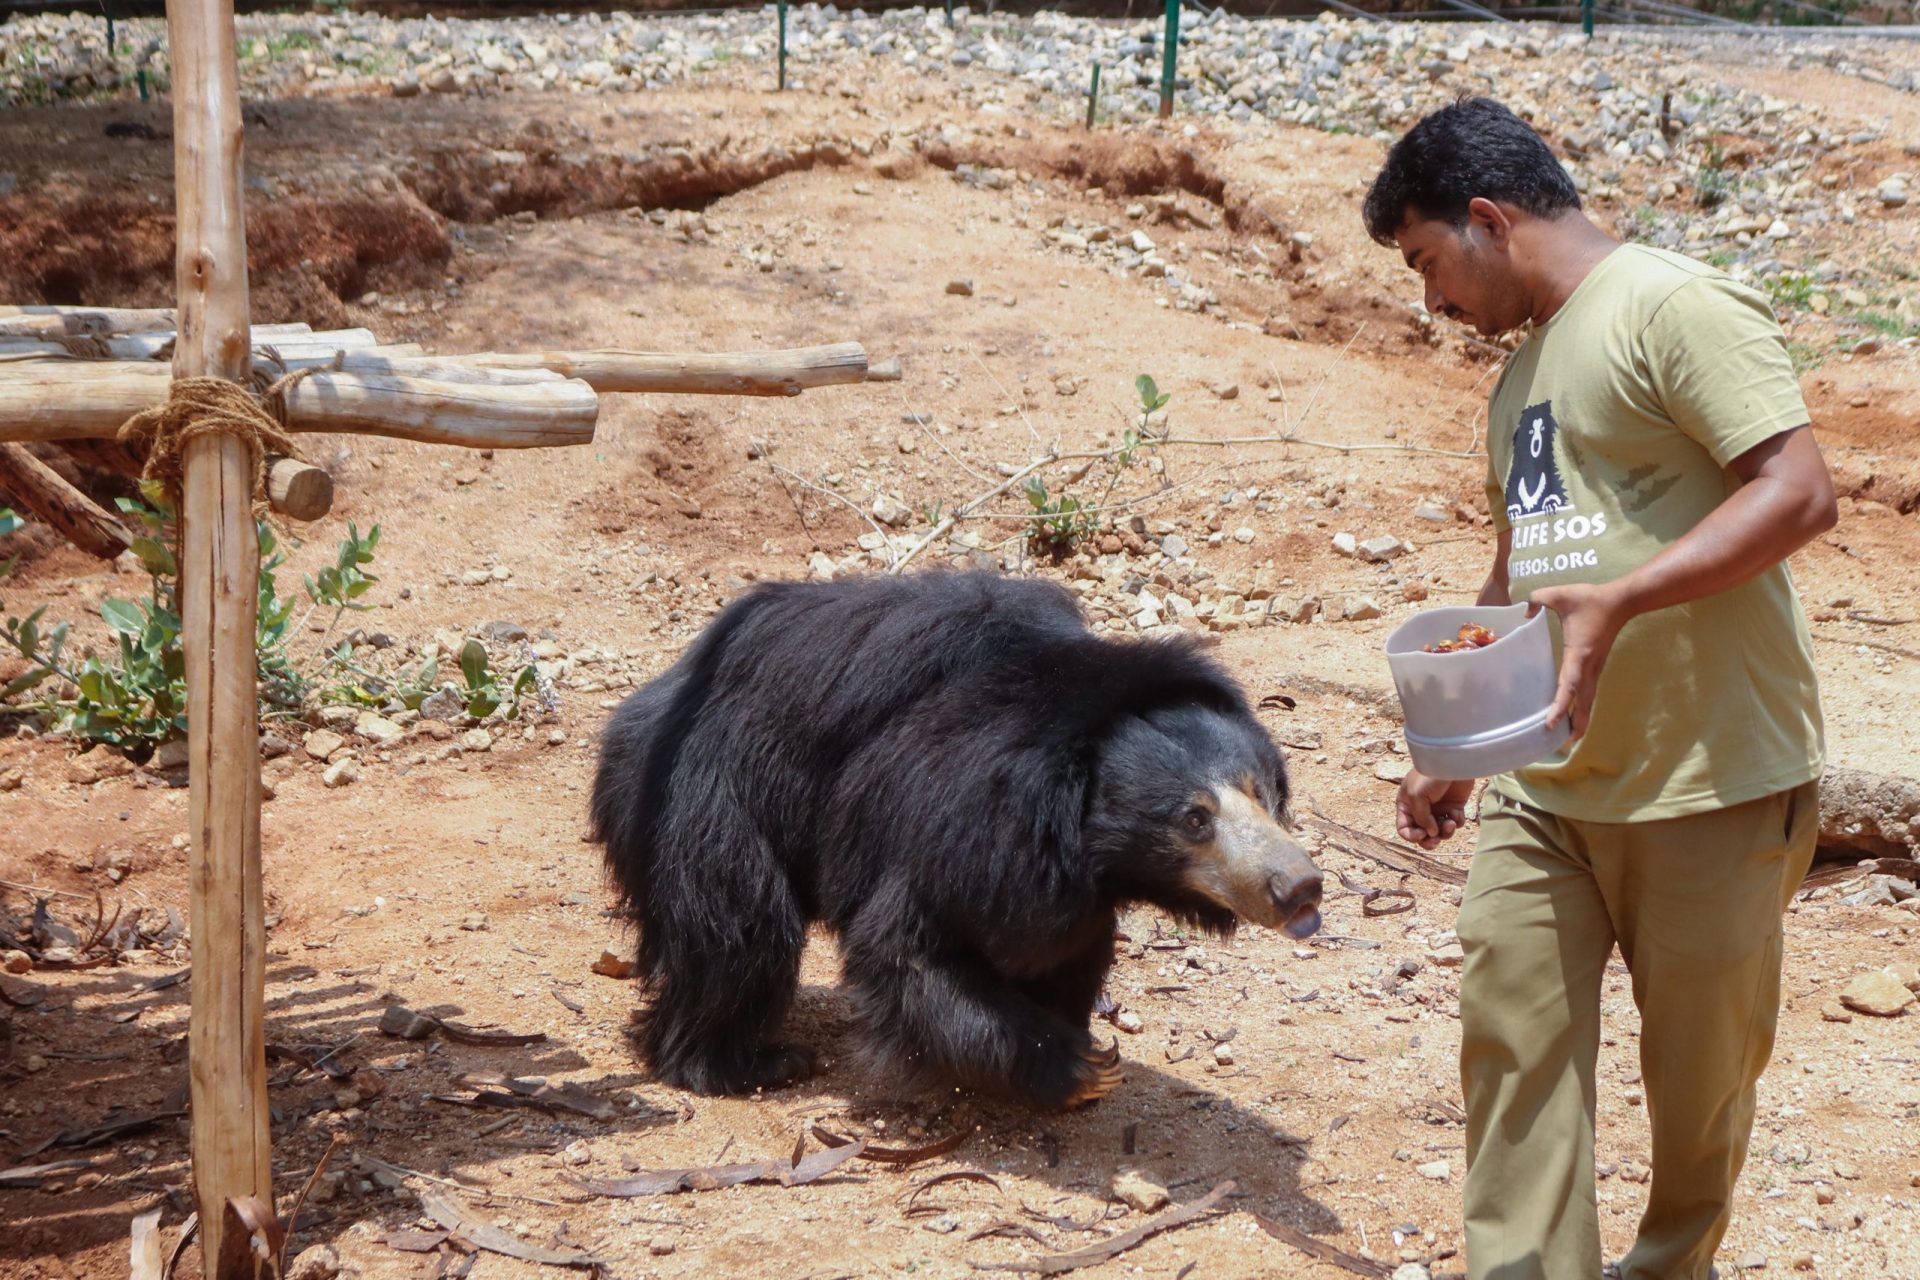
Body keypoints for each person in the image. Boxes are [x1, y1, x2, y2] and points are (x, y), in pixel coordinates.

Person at [1360, 97, 1837, 1280]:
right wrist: (1459, 736)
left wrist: (1626, 599)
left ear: (1486, 217)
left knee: (1699, 1089)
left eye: (1428, 263)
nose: (1433, 302)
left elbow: (1798, 490)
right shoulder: (1521, 376)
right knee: (1512, 1043)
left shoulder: (1672, 305)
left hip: (1709, 778)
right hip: (1549, 786)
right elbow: (1531, 564)